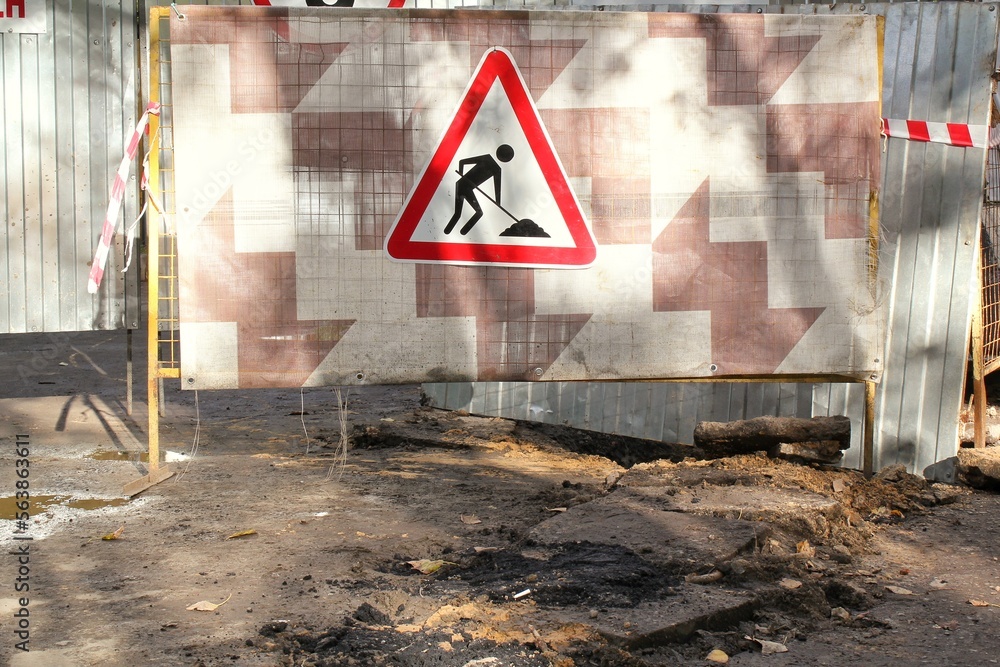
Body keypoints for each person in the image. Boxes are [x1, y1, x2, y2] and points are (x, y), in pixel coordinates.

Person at [444, 144, 514, 235]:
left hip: (463, 186)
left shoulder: (495, 168)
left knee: (458, 214)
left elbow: (497, 189)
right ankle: (461, 233)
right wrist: (461, 173)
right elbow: (462, 161)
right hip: (464, 186)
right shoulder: (488, 160)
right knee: (478, 213)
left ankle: (451, 232)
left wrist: (498, 203)